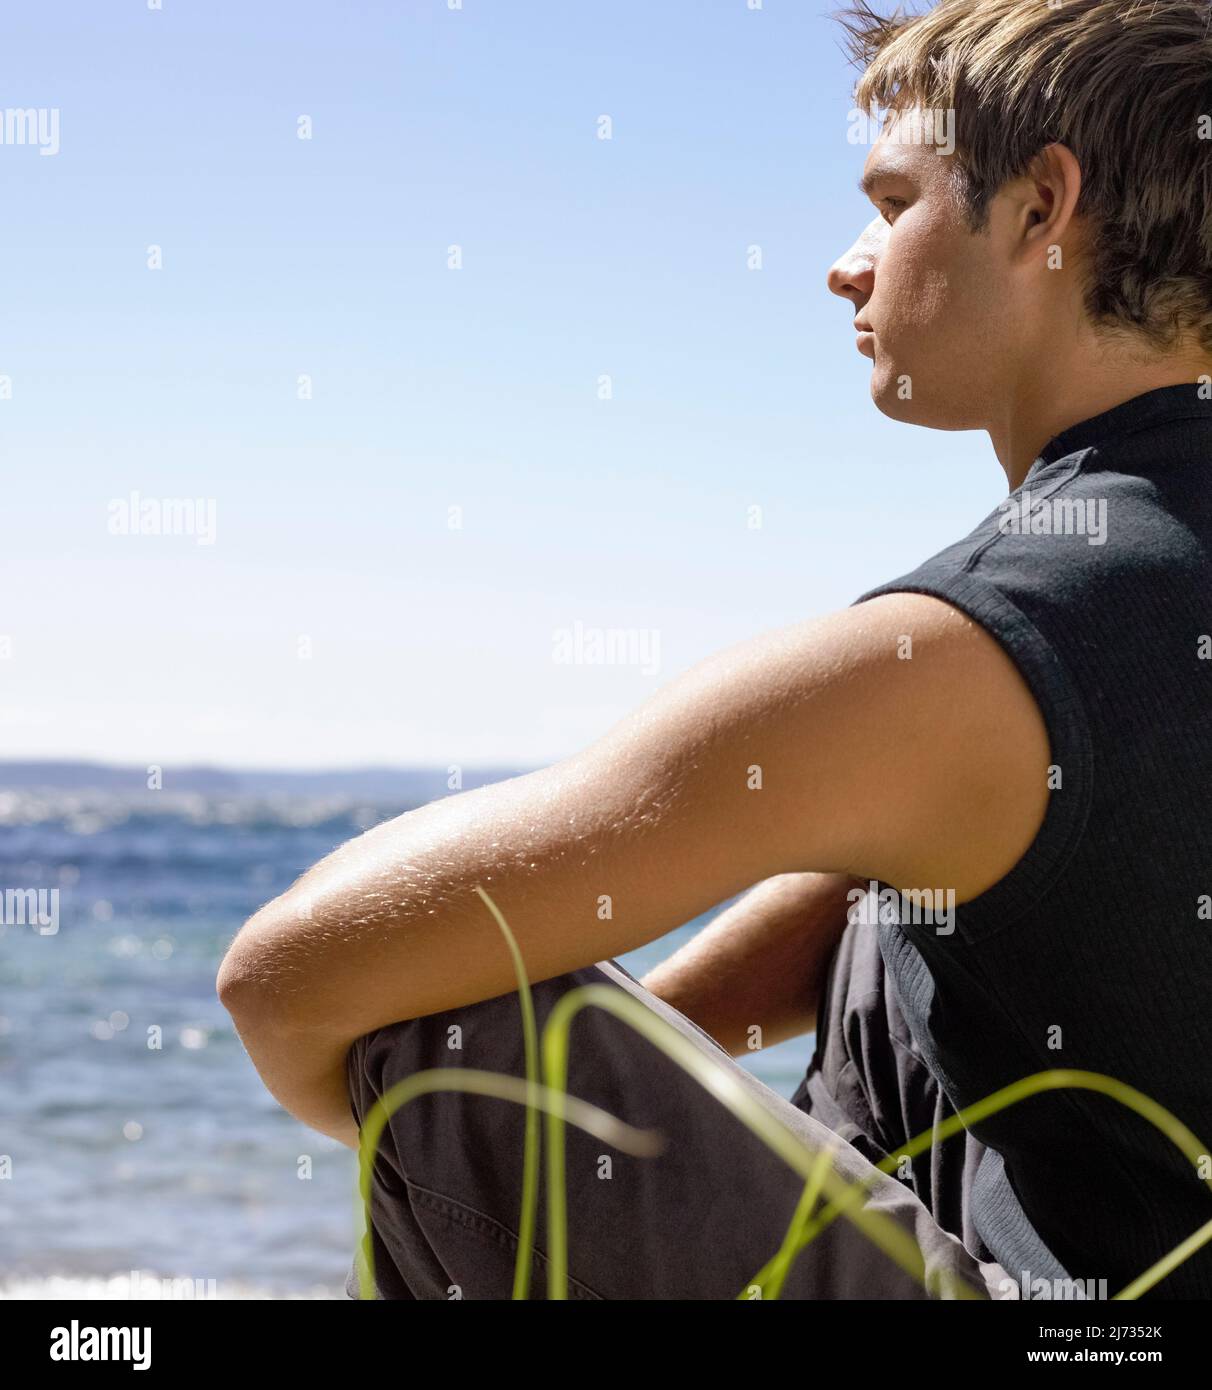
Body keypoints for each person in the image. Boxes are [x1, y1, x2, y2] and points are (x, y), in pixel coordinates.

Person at [217, 0, 1212, 1299]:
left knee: (449, 1031)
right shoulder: (1127, 587)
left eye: (891, 201)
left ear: (1041, 211)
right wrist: (662, 1045)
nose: (848, 265)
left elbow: (282, 977)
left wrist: (503, 1138)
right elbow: (972, 863)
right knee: (893, 892)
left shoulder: (972, 643)